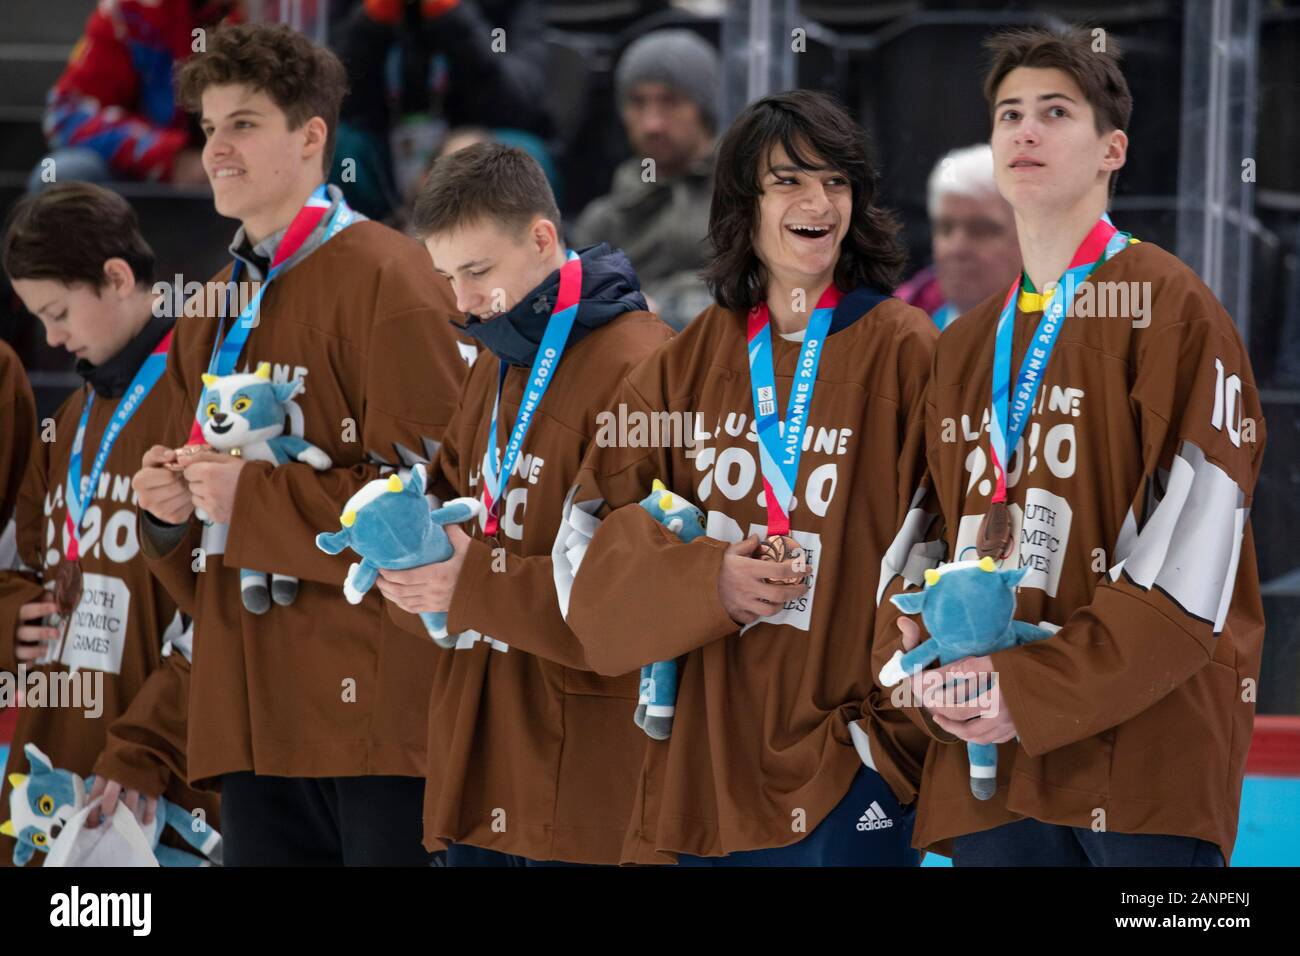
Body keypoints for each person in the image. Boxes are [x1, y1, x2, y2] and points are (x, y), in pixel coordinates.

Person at [873, 25, 1265, 867]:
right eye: (1009, 114)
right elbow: (922, 532)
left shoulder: (1172, 307)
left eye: (1055, 112)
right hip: (989, 758)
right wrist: (917, 653)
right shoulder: (964, 344)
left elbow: (1195, 556)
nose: (1025, 131)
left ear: (1110, 150)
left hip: (1140, 758)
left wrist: (1036, 688)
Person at [557, 89, 936, 865]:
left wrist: (882, 748)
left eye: (836, 181)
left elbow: (945, 546)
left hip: (841, 774)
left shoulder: (905, 349)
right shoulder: (692, 356)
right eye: (789, 181)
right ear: (744, 206)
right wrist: (707, 586)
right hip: (692, 778)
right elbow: (585, 546)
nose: (818, 201)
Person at [127, 23, 470, 866]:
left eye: (242, 124)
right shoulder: (212, 303)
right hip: (250, 722)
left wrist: (255, 499)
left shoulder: (396, 277)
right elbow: (205, 549)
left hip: (380, 732)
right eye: (208, 129)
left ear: (313, 137)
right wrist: (171, 512)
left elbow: (434, 506)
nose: (216, 151)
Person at [376, 143, 671, 865]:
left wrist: (471, 583)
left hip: (586, 789)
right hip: (479, 771)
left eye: (476, 272)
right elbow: (454, 517)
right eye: (446, 278)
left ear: (543, 238)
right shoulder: (496, 361)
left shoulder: (644, 364)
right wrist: (406, 564)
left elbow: (646, 597)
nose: (462, 303)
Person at [0, 183, 218, 865]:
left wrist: (147, 746)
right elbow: (25, 561)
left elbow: (226, 614)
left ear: (118, 278)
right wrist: (10, 615)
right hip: (57, 753)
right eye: (38, 319)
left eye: (59, 312)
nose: (52, 338)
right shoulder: (65, 421)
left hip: (162, 766)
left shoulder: (202, 397)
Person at [570, 30, 719, 331]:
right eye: (638, 103)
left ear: (702, 109)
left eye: (671, 101)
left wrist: (663, 307)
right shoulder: (604, 220)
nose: (653, 123)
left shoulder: (746, 198)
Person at [30, 0, 243, 191]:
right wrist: (172, 158)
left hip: (257, 166)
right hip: (163, 167)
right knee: (59, 172)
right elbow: (65, 114)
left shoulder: (271, 16)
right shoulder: (131, 10)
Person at [895, 144, 1021, 330]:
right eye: (945, 228)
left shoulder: (1066, 340)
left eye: (980, 230)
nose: (956, 249)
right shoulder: (898, 330)